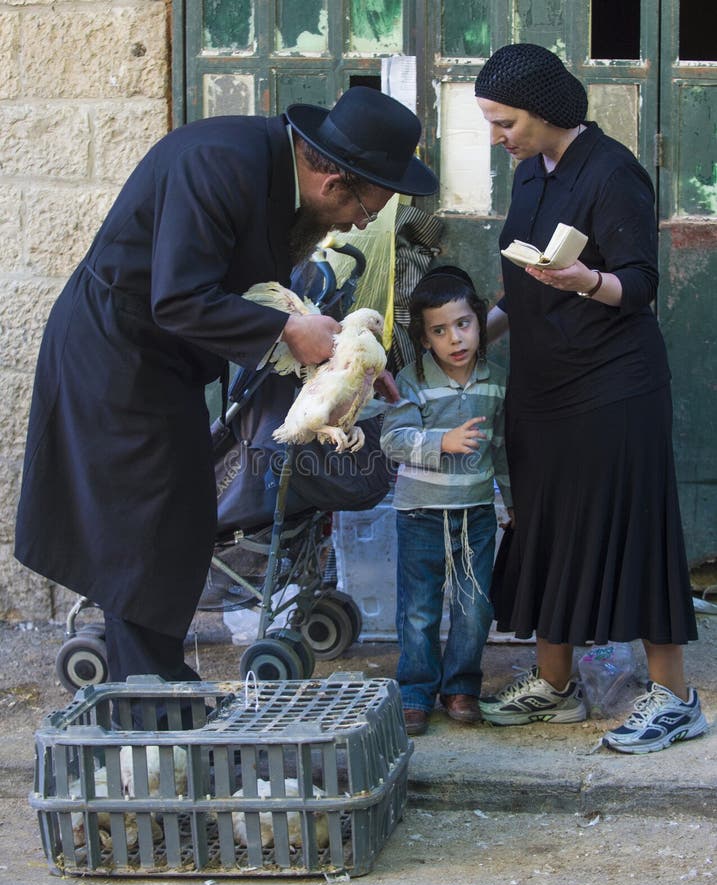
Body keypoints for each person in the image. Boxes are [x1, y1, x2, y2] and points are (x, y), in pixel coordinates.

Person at [15, 86, 438, 686]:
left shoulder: (274, 174)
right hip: (113, 355)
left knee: (180, 515)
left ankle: (150, 677)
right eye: (366, 209)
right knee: (142, 520)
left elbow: (268, 294)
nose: (359, 223)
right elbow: (180, 296)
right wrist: (291, 332)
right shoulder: (220, 163)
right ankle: (147, 686)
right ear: (333, 183)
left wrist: (352, 355)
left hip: (161, 360)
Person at [473, 43, 706, 753]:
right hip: (540, 385)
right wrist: (473, 331)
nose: (497, 137)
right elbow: (521, 278)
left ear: (543, 113)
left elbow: (637, 285)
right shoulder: (528, 174)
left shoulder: (612, 173)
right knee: (545, 526)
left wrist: (584, 281)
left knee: (634, 531)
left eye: (505, 122)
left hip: (612, 386)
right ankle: (556, 684)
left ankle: (674, 698)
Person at [380, 266, 513, 735]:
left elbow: (501, 449)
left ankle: (461, 686)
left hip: (475, 515)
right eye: (440, 330)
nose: (455, 338)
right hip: (419, 514)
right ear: (424, 339)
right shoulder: (411, 381)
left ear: (479, 321)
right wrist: (442, 441)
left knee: (475, 606)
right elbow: (392, 440)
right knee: (419, 609)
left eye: (463, 324)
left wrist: (511, 503)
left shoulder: (496, 381)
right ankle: (415, 692)